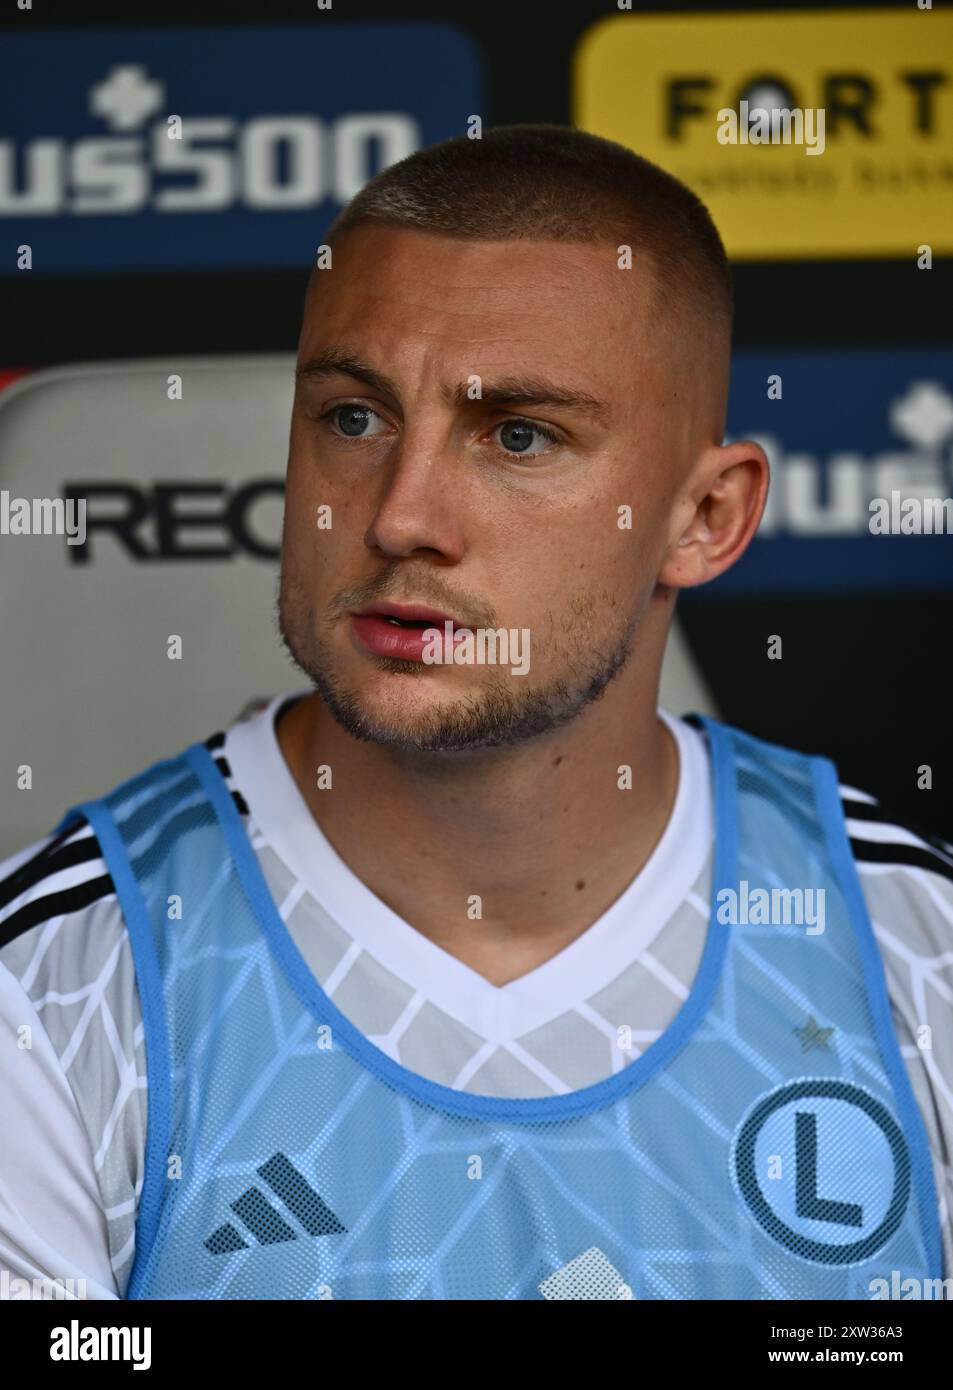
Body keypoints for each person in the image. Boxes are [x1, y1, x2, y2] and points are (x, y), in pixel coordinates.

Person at [1, 125, 950, 1302]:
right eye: (353, 418)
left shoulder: (917, 948)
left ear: (703, 516)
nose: (400, 515)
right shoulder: (47, 993)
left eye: (517, 435)